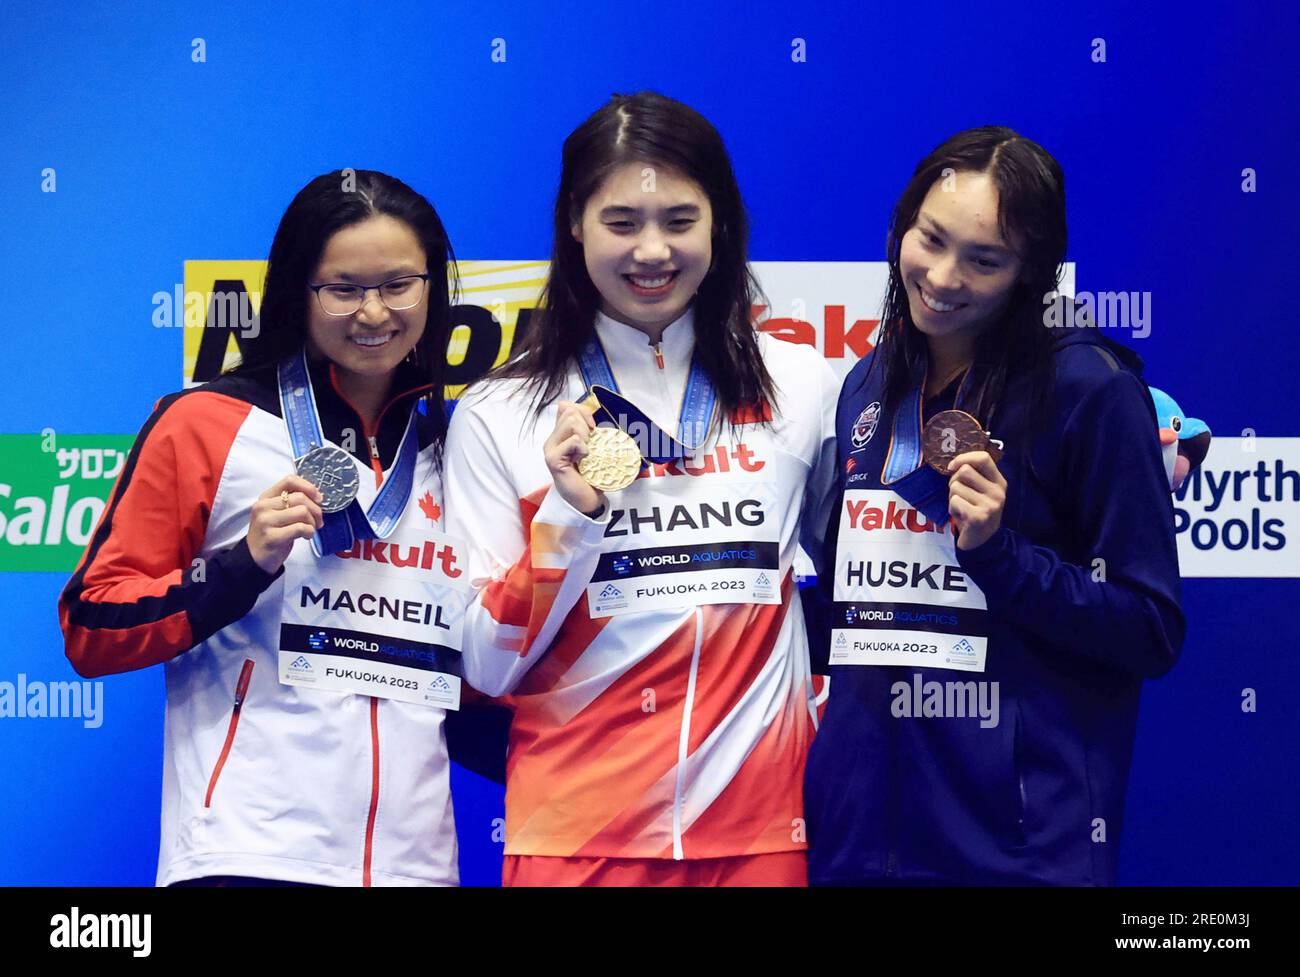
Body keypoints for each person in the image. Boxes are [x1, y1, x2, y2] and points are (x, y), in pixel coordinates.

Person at [444, 91, 839, 887]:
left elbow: (886, 548)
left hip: (760, 831)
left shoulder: (804, 384)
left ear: (720, 223)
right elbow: (482, 667)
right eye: (622, 222)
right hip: (575, 839)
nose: (652, 250)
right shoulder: (499, 412)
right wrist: (570, 513)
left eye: (680, 221)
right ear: (573, 226)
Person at [59, 169, 493, 886]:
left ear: (432, 288)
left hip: (418, 866)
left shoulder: (456, 446)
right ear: (297, 290)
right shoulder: (204, 423)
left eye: (397, 284)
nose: (374, 311)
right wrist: (241, 563)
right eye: (343, 288)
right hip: (246, 852)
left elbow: (468, 677)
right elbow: (91, 625)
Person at [803, 127, 1186, 886]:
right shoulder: (868, 386)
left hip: (1015, 851)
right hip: (859, 843)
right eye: (930, 240)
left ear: (1029, 273)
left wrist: (999, 556)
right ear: (897, 231)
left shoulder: (1092, 390)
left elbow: (1151, 626)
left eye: (985, 260)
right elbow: (859, 613)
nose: (943, 277)